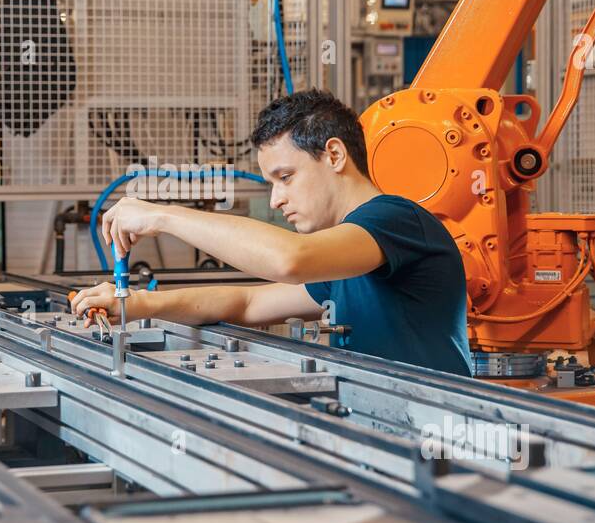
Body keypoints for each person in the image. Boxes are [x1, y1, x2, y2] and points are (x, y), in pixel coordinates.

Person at [71, 88, 472, 376]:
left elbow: (291, 260)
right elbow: (245, 302)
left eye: (286, 177)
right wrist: (131, 304)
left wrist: (164, 216)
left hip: (438, 436)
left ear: (334, 155)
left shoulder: (397, 219)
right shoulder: (348, 258)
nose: (277, 200)